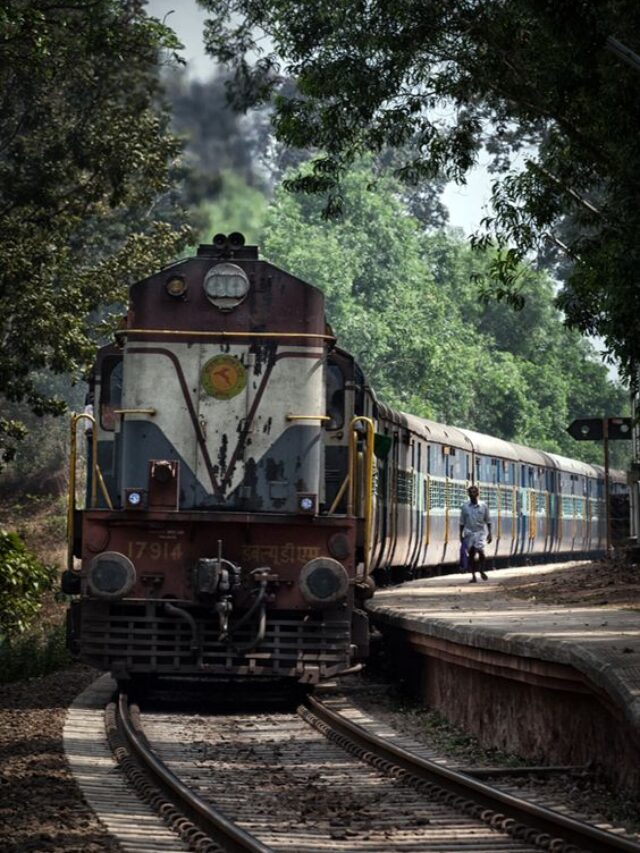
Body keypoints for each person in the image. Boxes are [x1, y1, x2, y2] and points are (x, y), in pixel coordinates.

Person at [460, 484, 492, 582]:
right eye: (471, 493)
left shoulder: (484, 506)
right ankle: (473, 576)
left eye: (474, 492)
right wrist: (460, 534)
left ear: (478, 494)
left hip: (480, 532)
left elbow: (488, 521)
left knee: (481, 552)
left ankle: (481, 570)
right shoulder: (465, 507)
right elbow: (462, 522)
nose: (473, 495)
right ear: (469, 495)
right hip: (469, 533)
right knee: (472, 554)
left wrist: (490, 533)